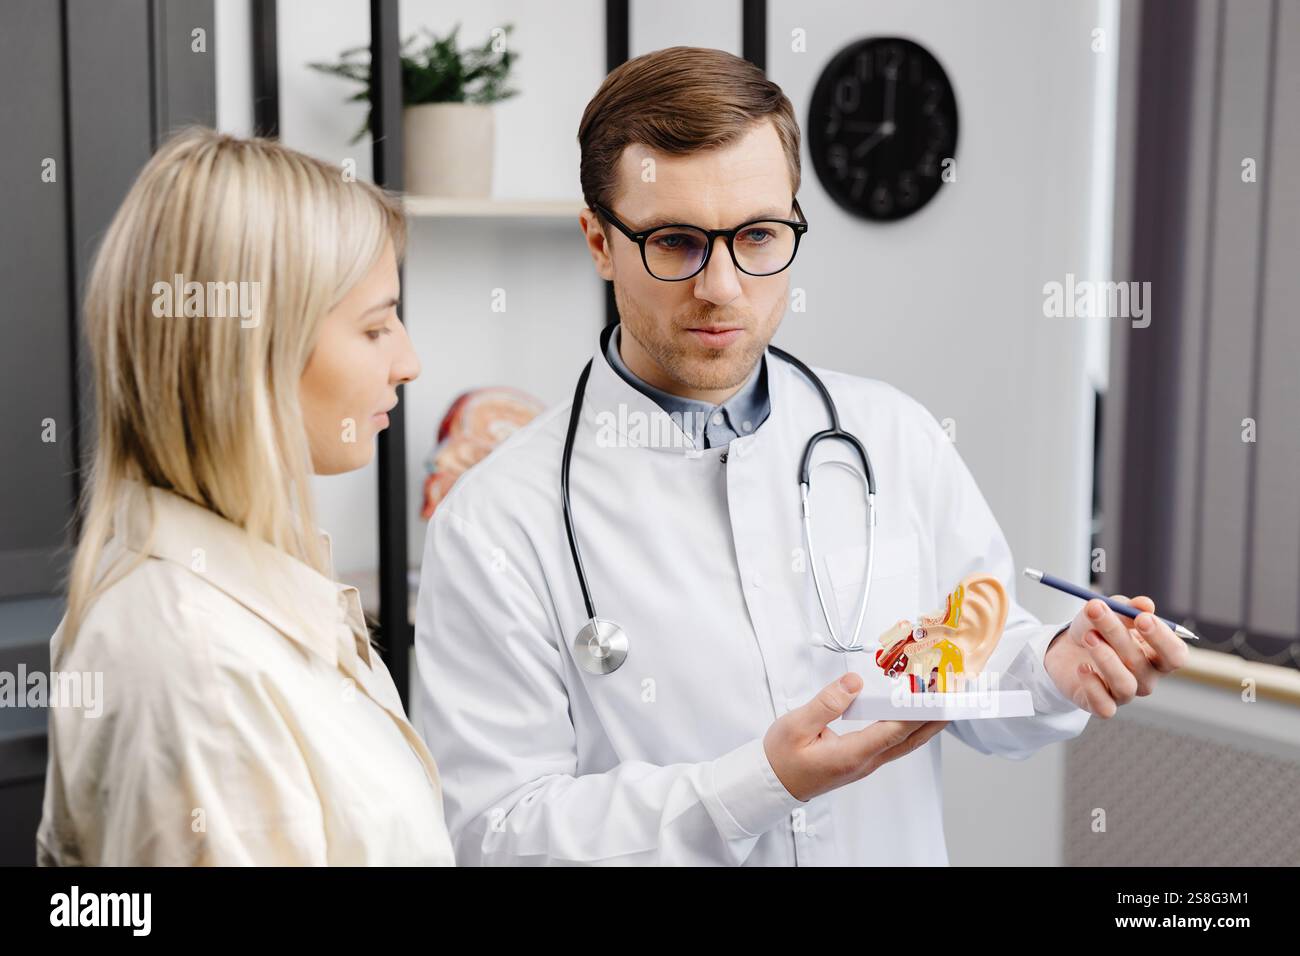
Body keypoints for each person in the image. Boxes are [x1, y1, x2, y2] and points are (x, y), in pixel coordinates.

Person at [412, 47, 1188, 866]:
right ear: (600, 241)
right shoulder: (496, 523)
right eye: (675, 241)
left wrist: (1055, 667)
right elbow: (496, 835)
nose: (721, 286)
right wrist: (755, 786)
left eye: (758, 235)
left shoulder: (893, 437)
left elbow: (976, 667)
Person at [37, 128, 455, 866]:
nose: (409, 361)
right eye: (374, 327)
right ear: (254, 353)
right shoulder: (196, 665)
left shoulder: (251, 593)